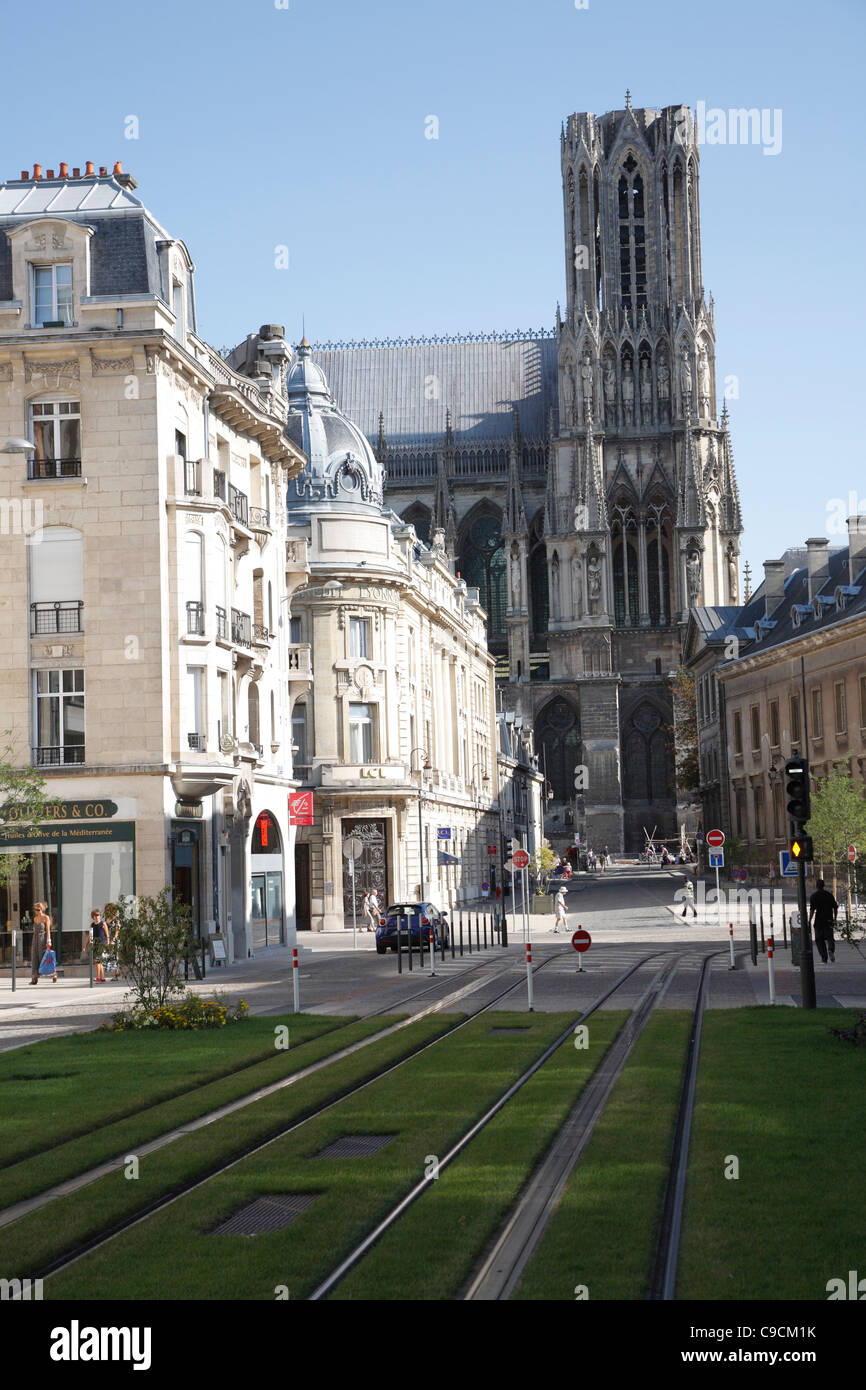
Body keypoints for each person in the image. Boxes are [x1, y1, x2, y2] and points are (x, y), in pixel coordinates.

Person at [809, 879, 838, 963]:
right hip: (829, 919)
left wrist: (809, 920)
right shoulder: (829, 895)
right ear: (824, 885)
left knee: (819, 939)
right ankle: (831, 950)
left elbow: (812, 910)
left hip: (819, 921)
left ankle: (824, 957)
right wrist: (835, 918)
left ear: (816, 886)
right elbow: (835, 907)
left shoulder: (814, 896)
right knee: (830, 937)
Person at [29, 902, 56, 984]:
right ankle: (34, 977)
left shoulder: (46, 918)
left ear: (42, 909)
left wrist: (49, 940)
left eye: (38, 909)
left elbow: (48, 930)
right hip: (35, 939)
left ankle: (53, 974)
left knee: (43, 957)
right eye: (35, 909)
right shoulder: (35, 918)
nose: (36, 911)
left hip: (43, 939)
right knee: (34, 957)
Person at [89, 908, 109, 981]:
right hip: (95, 944)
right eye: (95, 916)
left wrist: (108, 943)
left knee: (97, 960)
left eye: (98, 916)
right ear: (93, 917)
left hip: (101, 943)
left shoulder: (103, 924)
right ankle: (102, 977)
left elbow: (107, 934)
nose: (97, 917)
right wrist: (86, 945)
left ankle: (98, 977)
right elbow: (89, 935)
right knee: (98, 961)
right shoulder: (92, 925)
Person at [104, 902, 121, 979]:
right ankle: (112, 973)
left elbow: (117, 930)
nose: (107, 911)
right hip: (108, 938)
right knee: (109, 956)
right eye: (106, 910)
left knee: (115, 956)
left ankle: (116, 975)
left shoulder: (116, 919)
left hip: (114, 939)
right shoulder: (106, 918)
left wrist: (114, 939)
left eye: (108, 909)